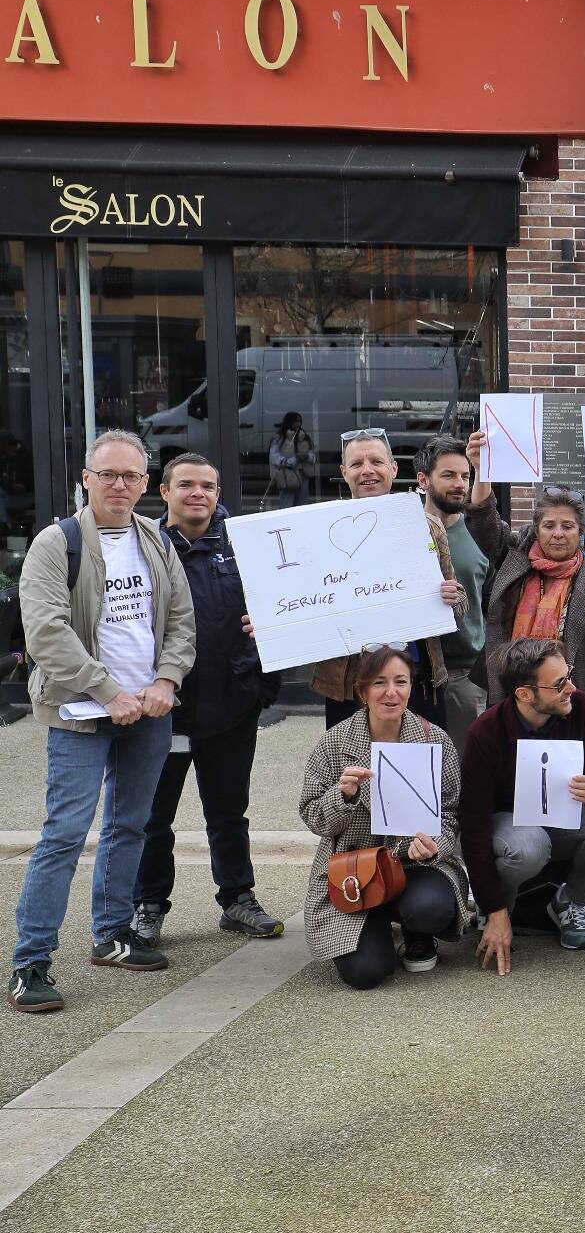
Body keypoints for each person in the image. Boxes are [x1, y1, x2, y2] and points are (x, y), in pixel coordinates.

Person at [9, 431, 192, 1013]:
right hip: (82, 712)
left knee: (130, 825)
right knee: (64, 834)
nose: (120, 486)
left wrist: (166, 680)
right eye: (109, 475)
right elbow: (45, 635)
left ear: (146, 484)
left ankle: (111, 934)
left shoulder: (155, 540)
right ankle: (30, 962)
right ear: (86, 478)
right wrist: (109, 691)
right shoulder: (53, 544)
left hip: (149, 711)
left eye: (132, 477)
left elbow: (181, 620)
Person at [131, 454, 284, 948]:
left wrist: (263, 689)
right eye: (187, 485)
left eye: (208, 486)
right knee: (155, 816)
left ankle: (237, 900)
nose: (198, 493)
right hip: (163, 711)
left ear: (218, 493)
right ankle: (147, 906)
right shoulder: (142, 548)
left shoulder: (247, 547)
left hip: (231, 704)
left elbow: (283, 611)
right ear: (164, 490)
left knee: (227, 812)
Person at [298, 644, 473, 990]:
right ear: (362, 692)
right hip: (355, 870)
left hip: (415, 866)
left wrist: (435, 844)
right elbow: (312, 815)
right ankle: (371, 922)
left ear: (411, 687)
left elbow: (452, 813)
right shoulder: (334, 743)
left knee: (431, 908)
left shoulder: (434, 740)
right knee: (365, 974)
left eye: (401, 682)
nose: (391, 692)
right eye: (379, 683)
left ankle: (417, 932)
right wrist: (342, 795)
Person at [457, 639, 585, 963]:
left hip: (560, 819)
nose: (572, 688)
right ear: (524, 693)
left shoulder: (577, 707)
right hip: (507, 827)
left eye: (569, 675)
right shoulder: (486, 732)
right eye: (559, 683)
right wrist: (493, 907)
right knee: (530, 844)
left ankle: (572, 902)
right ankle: (498, 912)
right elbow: (473, 827)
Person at [308, 430, 464, 729]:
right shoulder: (318, 530)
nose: (367, 470)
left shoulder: (427, 526)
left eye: (376, 461)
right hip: (348, 684)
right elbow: (300, 600)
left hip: (416, 679)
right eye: (356, 464)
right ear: (344, 473)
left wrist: (452, 597)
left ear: (393, 468)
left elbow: (459, 607)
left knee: (418, 769)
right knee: (353, 770)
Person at [464, 475, 585, 730]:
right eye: (549, 525)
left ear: (581, 531)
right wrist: (480, 468)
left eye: (567, 526)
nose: (558, 534)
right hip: (509, 699)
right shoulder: (514, 561)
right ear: (536, 529)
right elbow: (484, 521)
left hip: (567, 707)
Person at [416, 435, 492, 754]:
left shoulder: (481, 531)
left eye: (465, 476)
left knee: (467, 774)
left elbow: (491, 602)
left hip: (467, 675)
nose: (459, 484)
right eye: (448, 475)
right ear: (424, 480)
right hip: (415, 676)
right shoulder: (402, 530)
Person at [267, 411, 313, 509]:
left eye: (300, 421)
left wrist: (306, 456)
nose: (298, 424)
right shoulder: (279, 438)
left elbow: (312, 455)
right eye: (295, 421)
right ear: (289, 422)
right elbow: (274, 457)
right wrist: (292, 461)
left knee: (302, 505)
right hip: (288, 475)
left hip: (303, 474)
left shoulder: (304, 436)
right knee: (287, 504)